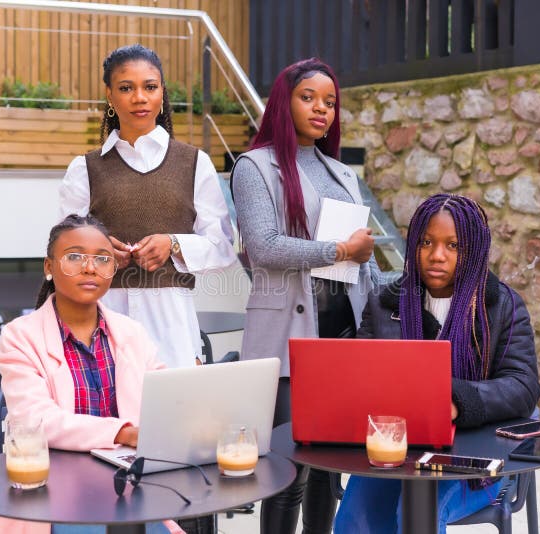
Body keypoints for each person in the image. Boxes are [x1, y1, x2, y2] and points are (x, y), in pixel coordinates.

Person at [333, 193, 540, 533]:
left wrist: (458, 402)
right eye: (427, 242)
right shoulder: (385, 304)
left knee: (417, 514)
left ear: (471, 250)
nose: (437, 255)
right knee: (352, 520)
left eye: (453, 245)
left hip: (475, 460)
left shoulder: (501, 306)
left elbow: (522, 385)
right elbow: (361, 378)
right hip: (397, 451)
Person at [230, 58, 379, 534]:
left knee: (329, 469)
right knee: (288, 470)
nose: (322, 109)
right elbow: (263, 247)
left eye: (330, 102)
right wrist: (338, 249)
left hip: (341, 333)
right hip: (288, 337)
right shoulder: (256, 166)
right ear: (284, 101)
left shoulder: (341, 172)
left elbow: (365, 260)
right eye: (309, 97)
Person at [0, 214, 182, 534]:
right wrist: (123, 432)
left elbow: (165, 400)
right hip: (53, 495)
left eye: (103, 259)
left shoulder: (131, 332)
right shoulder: (19, 337)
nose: (90, 268)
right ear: (49, 267)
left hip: (129, 485)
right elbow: (36, 421)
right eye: (75, 257)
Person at [59, 44, 235, 369]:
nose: (139, 97)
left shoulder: (195, 164)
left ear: (162, 93)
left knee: (173, 418)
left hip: (173, 330)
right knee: (113, 420)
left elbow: (223, 247)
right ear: (110, 96)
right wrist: (100, 253)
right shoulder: (84, 169)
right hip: (103, 323)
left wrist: (174, 243)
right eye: (126, 88)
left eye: (150, 87)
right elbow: (65, 255)